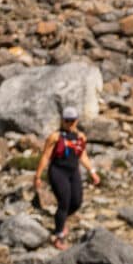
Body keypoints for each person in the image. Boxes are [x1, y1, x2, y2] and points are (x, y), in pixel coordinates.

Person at [33, 106, 100, 249]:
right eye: (67, 120)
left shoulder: (80, 137)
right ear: (62, 120)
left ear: (76, 121)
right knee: (64, 201)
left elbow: (82, 155)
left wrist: (92, 172)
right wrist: (38, 176)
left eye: (72, 120)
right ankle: (59, 236)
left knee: (76, 201)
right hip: (58, 171)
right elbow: (45, 156)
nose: (69, 123)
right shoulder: (55, 137)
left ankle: (60, 220)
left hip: (73, 171)